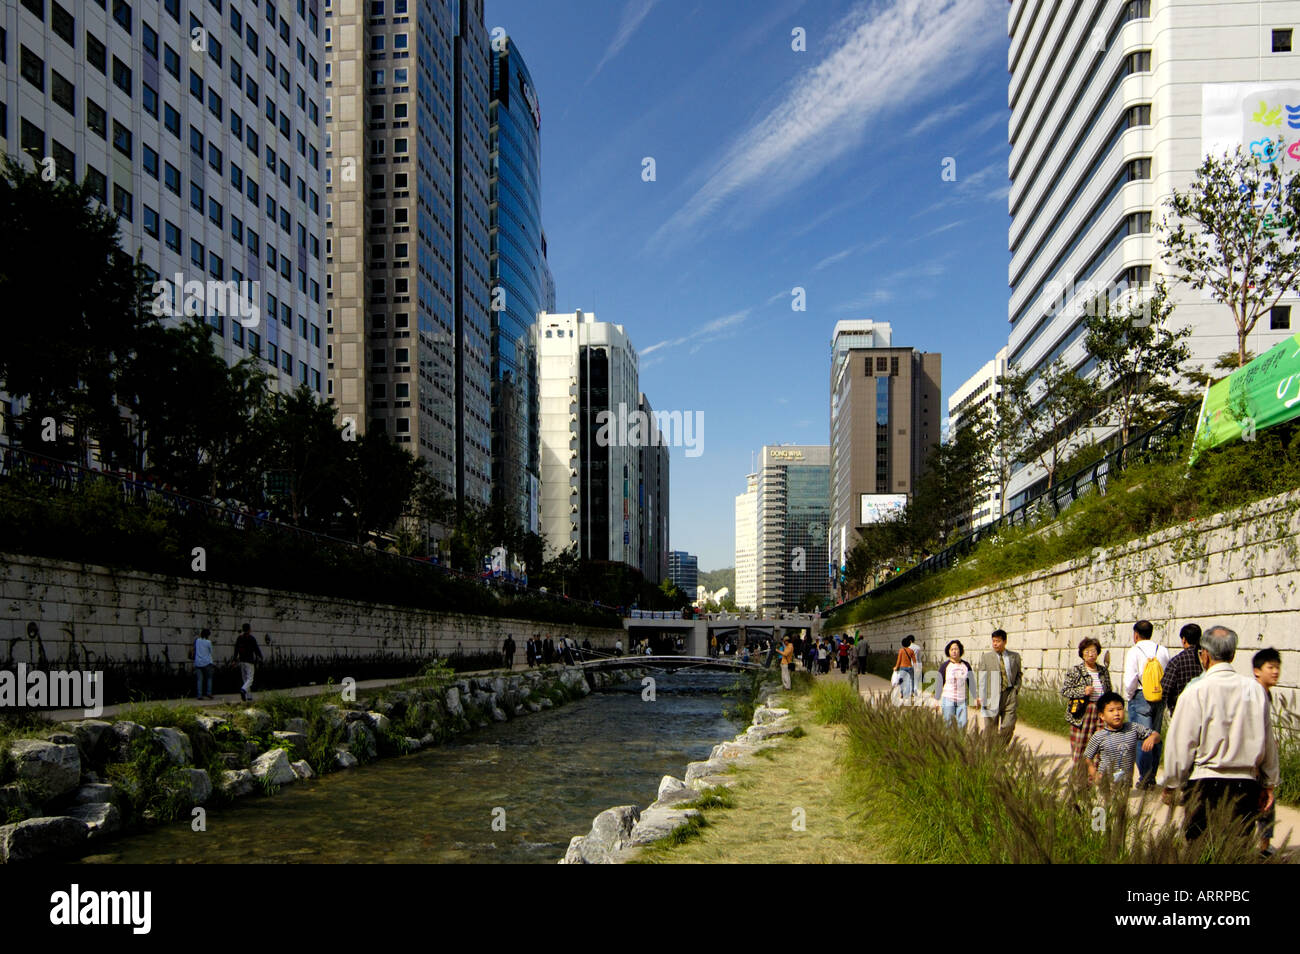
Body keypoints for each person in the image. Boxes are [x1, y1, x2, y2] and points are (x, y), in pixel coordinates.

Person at [1161, 626, 1279, 843]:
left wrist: (1171, 782)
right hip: (1246, 785)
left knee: (1200, 849)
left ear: (1204, 654)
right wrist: (1268, 783)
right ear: (1232, 655)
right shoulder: (1254, 691)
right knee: (1237, 849)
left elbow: (1180, 745)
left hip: (1204, 784)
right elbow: (1268, 742)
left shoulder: (1195, 691)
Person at [1122, 620, 1170, 787]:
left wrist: (1130, 697)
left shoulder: (1134, 651)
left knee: (1142, 738)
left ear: (1136, 635)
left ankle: (1145, 777)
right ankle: (1152, 776)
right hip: (1159, 696)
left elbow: (1130, 681)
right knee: (1155, 736)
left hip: (1141, 696)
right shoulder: (1162, 650)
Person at [1084, 692, 1161, 789]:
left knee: (1122, 804)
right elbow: (1087, 757)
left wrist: (1152, 738)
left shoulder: (1133, 728)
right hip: (1105, 783)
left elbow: (1157, 736)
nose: (1116, 713)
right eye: (1111, 710)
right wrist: (1094, 775)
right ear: (1102, 715)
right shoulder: (1099, 736)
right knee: (1107, 804)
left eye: (1119, 709)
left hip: (1126, 783)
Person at [1062, 637, 1113, 771]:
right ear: (1082, 654)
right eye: (1087, 651)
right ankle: (1079, 779)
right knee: (1081, 746)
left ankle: (1094, 777)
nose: (1091, 654)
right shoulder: (1076, 670)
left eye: (1094, 651)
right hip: (1082, 712)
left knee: (1100, 745)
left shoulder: (1103, 671)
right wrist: (1082, 691)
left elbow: (1109, 690)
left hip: (1101, 712)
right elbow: (1065, 690)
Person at [1252, 647, 1282, 854]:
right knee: (1263, 804)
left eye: (1277, 667)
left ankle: (1264, 846)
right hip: (1253, 764)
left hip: (1261, 761)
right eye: (1270, 667)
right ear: (1256, 670)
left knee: (1266, 805)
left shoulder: (1265, 693)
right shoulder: (1254, 693)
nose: (1275, 672)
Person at [977, 629, 1022, 743]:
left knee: (1009, 726)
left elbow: (1018, 674)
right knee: (990, 728)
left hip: (1009, 695)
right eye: (993, 641)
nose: (995, 644)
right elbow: (982, 678)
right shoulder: (986, 657)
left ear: (1005, 641)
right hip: (991, 695)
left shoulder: (1014, 657)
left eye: (998, 641)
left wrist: (1016, 689)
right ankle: (991, 754)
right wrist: (980, 696)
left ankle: (1001, 749)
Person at [1160, 623, 1203, 716]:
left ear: (1184, 640)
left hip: (1181, 710)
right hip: (1202, 708)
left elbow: (1165, 688)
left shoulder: (1177, 661)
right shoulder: (1206, 659)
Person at [937, 640, 976, 728]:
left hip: (962, 700)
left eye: (956, 649)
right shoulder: (945, 666)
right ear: (948, 651)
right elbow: (940, 683)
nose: (954, 651)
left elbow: (971, 682)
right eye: (952, 649)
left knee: (963, 725)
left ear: (960, 650)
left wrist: (975, 697)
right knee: (948, 725)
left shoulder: (966, 665)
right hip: (948, 699)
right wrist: (937, 700)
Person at [234, 623, 263, 702]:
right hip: (249, 660)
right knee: (250, 679)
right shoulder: (251, 638)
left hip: (242, 661)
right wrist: (260, 656)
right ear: (249, 629)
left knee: (245, 679)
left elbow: (236, 649)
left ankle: (248, 696)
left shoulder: (239, 638)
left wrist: (234, 659)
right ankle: (243, 690)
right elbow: (256, 648)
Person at [191, 628, 215, 700]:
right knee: (209, 678)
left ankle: (199, 695)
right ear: (208, 635)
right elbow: (211, 651)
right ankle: (209, 693)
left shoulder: (197, 641)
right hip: (207, 662)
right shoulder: (208, 642)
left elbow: (194, 649)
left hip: (198, 662)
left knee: (199, 680)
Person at [891, 637, 915, 702]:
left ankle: (902, 693)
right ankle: (910, 692)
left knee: (901, 681)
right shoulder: (911, 651)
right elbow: (914, 661)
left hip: (903, 667)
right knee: (911, 680)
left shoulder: (901, 650)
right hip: (909, 667)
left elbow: (899, 660)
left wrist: (896, 667)